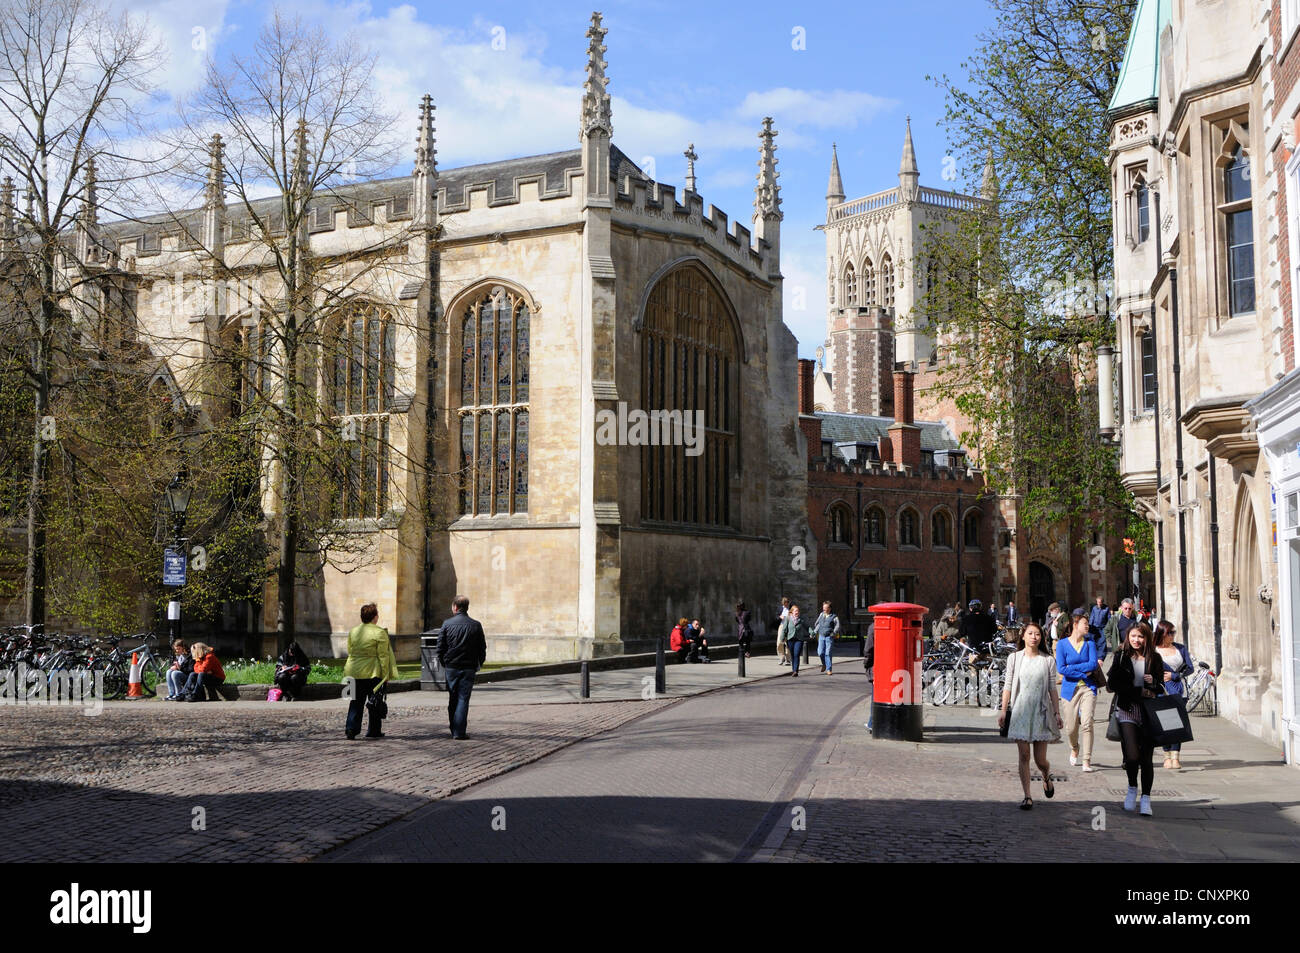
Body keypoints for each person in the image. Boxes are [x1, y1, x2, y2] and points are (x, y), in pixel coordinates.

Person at [997, 622, 1062, 809]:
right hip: (1020, 711)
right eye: (1031, 633)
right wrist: (1003, 710)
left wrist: (1057, 713)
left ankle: (1046, 775)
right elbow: (1008, 685)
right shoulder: (1014, 658)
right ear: (1023, 636)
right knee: (1024, 755)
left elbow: (1052, 688)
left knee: (1040, 760)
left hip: (1041, 712)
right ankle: (1027, 796)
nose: (1034, 637)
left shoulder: (1048, 660)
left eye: (1038, 634)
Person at [1107, 622, 1167, 816]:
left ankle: (1146, 798)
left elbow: (1160, 685)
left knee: (1147, 758)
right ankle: (1132, 787)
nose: (1136, 640)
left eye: (1140, 636)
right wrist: (1137, 690)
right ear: (1128, 636)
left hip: (1148, 712)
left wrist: (1154, 682)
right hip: (1127, 709)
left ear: (1147, 638)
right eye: (1133, 636)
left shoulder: (1154, 658)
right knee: (1132, 756)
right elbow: (1112, 684)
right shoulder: (1121, 656)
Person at [343, 603, 398, 739]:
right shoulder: (379, 632)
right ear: (375, 617)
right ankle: (374, 730)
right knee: (375, 701)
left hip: (354, 670)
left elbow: (350, 650)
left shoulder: (354, 631)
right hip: (372, 671)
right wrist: (386, 674)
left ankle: (351, 728)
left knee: (355, 701)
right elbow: (383, 656)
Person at [1057, 611, 1102, 772]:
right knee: (1071, 728)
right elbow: (1061, 669)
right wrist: (1083, 673)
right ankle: (1074, 747)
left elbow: (1093, 665)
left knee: (1087, 723)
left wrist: (1073, 668)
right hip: (1070, 689)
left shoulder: (1090, 644)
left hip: (1088, 688)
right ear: (1075, 625)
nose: (1088, 626)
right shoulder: (1062, 644)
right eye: (1085, 624)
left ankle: (1086, 760)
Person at [438, 594, 487, 740]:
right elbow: (482, 648)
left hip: (452, 666)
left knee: (453, 697)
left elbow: (440, 647)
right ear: (467, 607)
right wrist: (479, 663)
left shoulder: (447, 624)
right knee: (463, 699)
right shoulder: (475, 625)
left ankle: (454, 729)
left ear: (455, 607)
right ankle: (459, 731)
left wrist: (445, 662)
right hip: (468, 667)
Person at [1153, 619, 1193, 770]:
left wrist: (1174, 675)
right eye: (1170, 633)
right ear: (1162, 633)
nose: (1172, 635)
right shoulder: (1153, 650)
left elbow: (1189, 668)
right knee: (1165, 724)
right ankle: (1166, 756)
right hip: (1161, 690)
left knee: (1177, 724)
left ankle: (1175, 756)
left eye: (1173, 632)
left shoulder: (1180, 648)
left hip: (1179, 690)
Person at [779, 604, 810, 677]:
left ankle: (795, 671)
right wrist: (782, 638)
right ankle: (794, 670)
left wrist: (812, 632)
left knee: (796, 654)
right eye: (796, 611)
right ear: (792, 612)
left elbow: (807, 627)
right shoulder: (788, 619)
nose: (797, 612)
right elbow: (784, 629)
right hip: (790, 639)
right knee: (792, 655)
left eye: (798, 611)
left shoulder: (801, 619)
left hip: (799, 639)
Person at [812, 601, 840, 674]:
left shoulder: (834, 617)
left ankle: (829, 669)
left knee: (828, 653)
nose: (824, 609)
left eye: (825, 608)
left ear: (829, 608)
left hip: (829, 637)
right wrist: (814, 632)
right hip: (821, 636)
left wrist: (834, 632)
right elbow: (818, 624)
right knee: (820, 652)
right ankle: (824, 664)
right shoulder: (821, 614)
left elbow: (837, 626)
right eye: (823, 607)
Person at [776, 597, 791, 666]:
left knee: (788, 643)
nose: (785, 605)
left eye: (786, 603)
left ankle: (788, 659)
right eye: (784, 604)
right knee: (779, 642)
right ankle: (781, 657)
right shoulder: (780, 608)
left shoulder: (791, 608)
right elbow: (776, 616)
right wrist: (780, 617)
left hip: (789, 626)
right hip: (782, 626)